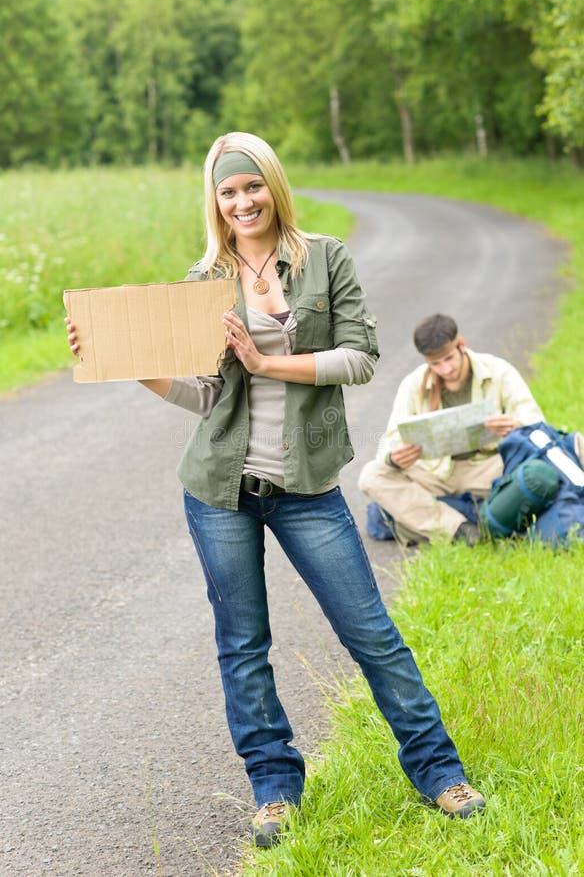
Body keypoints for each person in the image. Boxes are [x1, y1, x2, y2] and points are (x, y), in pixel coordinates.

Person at [66, 133, 485, 848]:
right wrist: (130, 361)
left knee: (371, 635)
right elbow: (204, 393)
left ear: (273, 185)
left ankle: (439, 772)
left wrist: (266, 361)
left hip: (307, 486)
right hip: (220, 489)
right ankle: (274, 788)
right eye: (228, 192)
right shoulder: (204, 279)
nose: (242, 202)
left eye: (251, 186)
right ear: (215, 201)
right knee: (242, 643)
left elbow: (359, 357)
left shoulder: (325, 258)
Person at [359, 313, 544, 546]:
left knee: (538, 472)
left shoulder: (498, 370)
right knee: (372, 475)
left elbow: (537, 423)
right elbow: (390, 440)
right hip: (437, 471)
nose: (445, 369)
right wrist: (395, 457)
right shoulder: (413, 383)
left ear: (462, 344)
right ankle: (460, 529)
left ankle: (420, 519)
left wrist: (514, 426)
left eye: (449, 358)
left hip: (489, 467)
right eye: (435, 364)